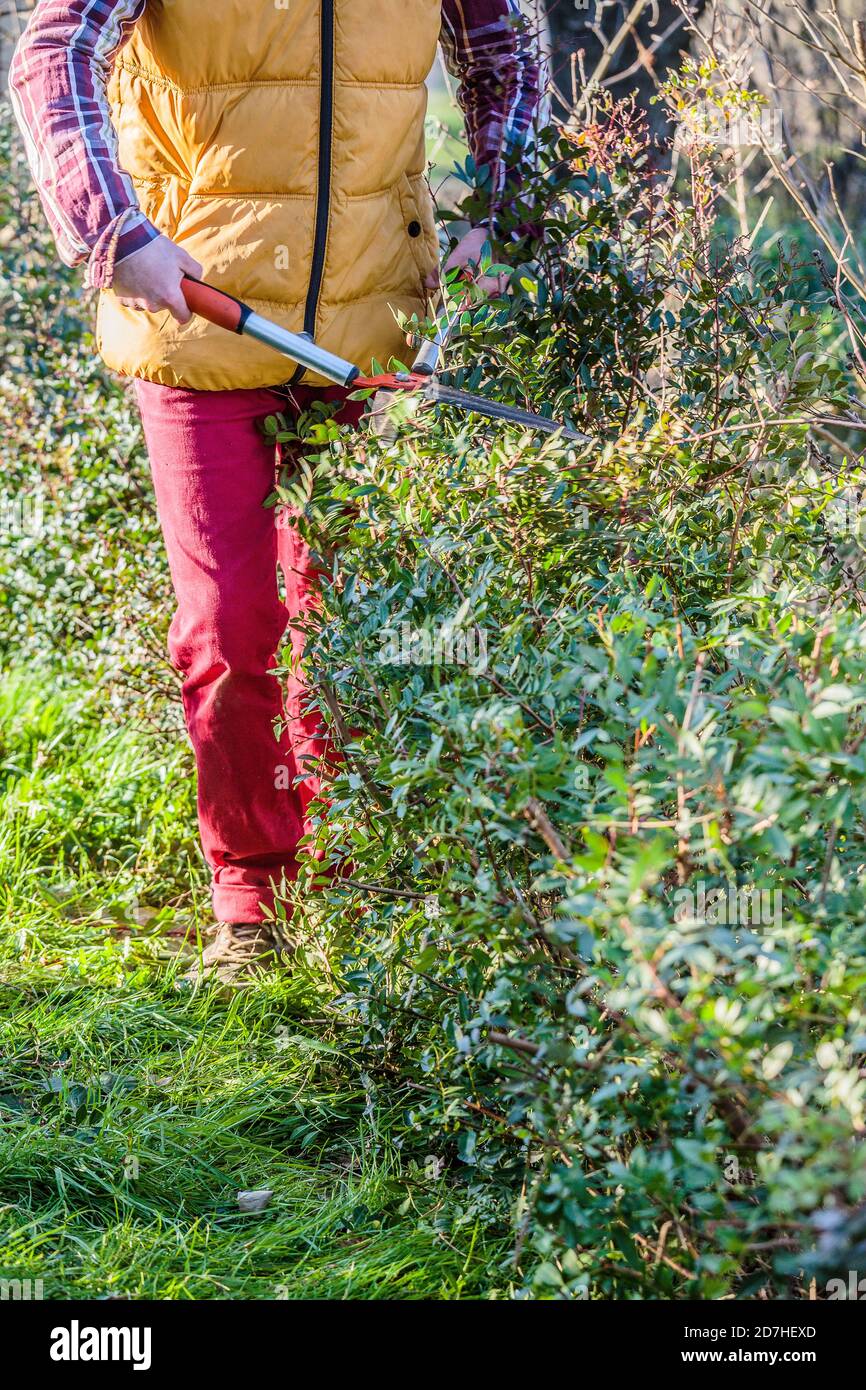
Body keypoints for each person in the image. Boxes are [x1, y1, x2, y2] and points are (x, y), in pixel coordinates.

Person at [9, 0, 540, 982]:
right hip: (198, 321)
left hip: (368, 333)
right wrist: (114, 232)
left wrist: (498, 218)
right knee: (232, 622)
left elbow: (502, 53)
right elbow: (53, 54)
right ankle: (253, 898)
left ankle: (348, 891)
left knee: (343, 627)